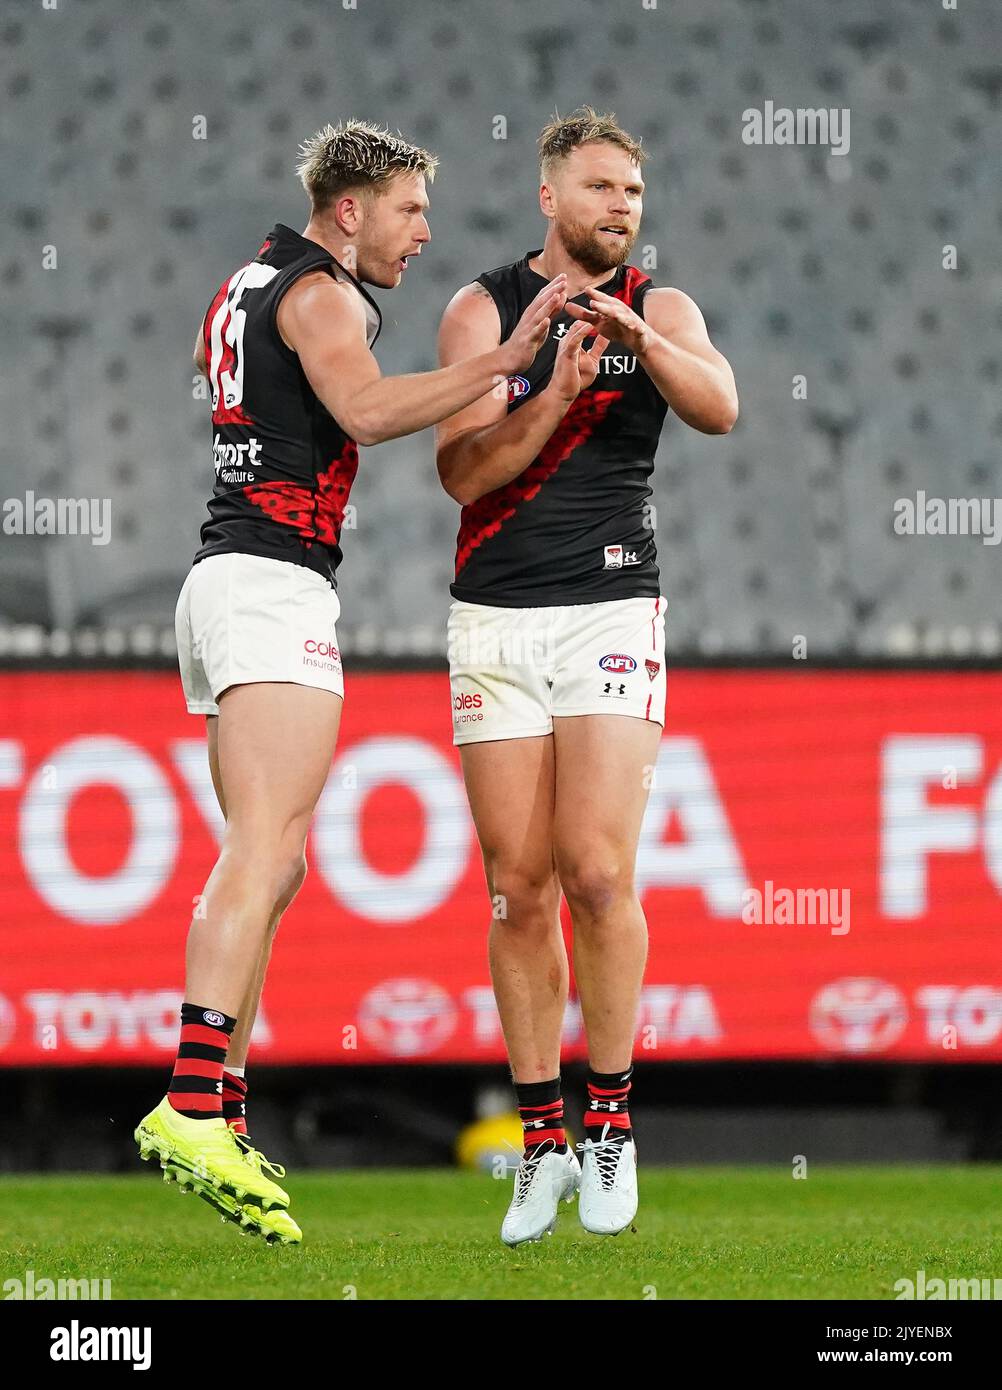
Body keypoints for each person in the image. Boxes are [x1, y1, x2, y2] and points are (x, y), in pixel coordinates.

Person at [135, 119, 567, 1244]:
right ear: (349, 209)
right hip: (271, 582)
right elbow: (367, 413)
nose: (423, 231)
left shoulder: (252, 281)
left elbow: (237, 377)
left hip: (223, 579)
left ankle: (220, 1109)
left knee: (271, 861)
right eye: (409, 208)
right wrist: (506, 362)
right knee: (264, 849)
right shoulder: (323, 292)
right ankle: (189, 1101)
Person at [436, 107, 738, 1244]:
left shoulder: (662, 306)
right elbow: (464, 474)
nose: (622, 206)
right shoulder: (484, 309)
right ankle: (542, 1141)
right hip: (495, 616)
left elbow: (721, 409)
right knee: (517, 886)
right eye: (602, 188)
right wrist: (555, 388)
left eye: (634, 192)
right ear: (550, 197)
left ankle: (610, 1122)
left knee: (599, 872)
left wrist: (638, 339)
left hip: (611, 605)